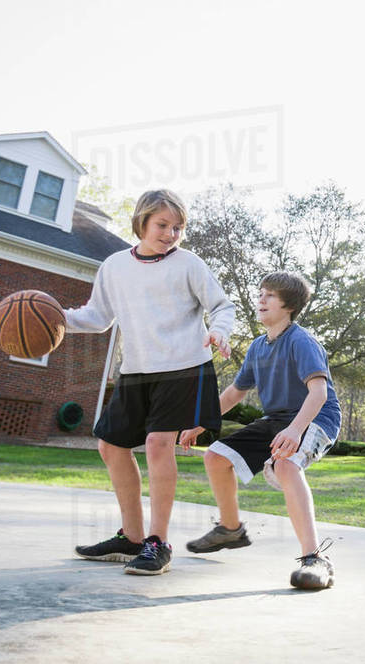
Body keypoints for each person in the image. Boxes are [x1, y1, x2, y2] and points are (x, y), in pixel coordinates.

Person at [68, 188, 234, 576]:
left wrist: (221, 331)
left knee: (160, 444)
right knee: (110, 446)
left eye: (178, 227)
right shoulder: (113, 266)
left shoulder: (189, 263)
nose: (171, 233)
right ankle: (131, 537)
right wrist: (56, 318)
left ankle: (157, 542)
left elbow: (222, 306)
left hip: (184, 366)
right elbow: (97, 317)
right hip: (137, 369)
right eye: (163, 225)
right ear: (142, 221)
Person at [179, 271, 342, 590]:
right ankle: (230, 528)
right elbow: (234, 393)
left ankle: (314, 558)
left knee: (286, 464)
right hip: (279, 418)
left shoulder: (301, 341)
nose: (261, 299)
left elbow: (319, 394)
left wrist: (296, 431)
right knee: (215, 457)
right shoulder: (257, 347)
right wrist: (200, 422)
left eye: (270, 294)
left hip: (316, 417)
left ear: (289, 305)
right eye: (260, 293)